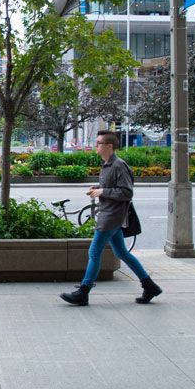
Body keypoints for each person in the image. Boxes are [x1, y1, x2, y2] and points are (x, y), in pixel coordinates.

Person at [60, 130, 162, 306]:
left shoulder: (118, 165)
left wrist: (102, 191)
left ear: (109, 146)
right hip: (110, 214)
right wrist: (98, 188)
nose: (96, 146)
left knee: (94, 252)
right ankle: (149, 285)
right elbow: (114, 187)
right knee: (121, 252)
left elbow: (127, 192)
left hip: (112, 216)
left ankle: (83, 292)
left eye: (99, 143)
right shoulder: (107, 165)